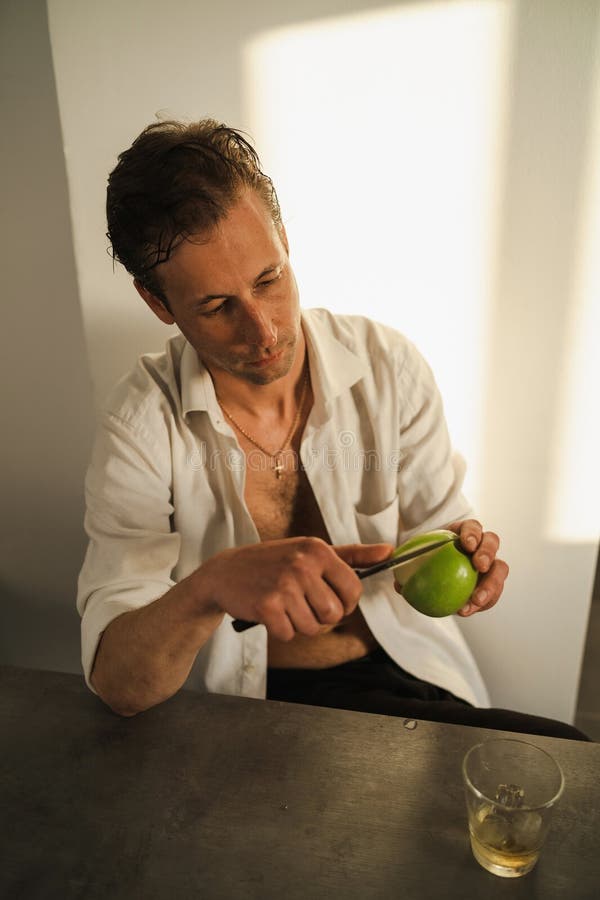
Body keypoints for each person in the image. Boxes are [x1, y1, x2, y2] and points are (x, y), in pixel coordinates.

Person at [77, 118, 587, 741]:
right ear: (159, 305)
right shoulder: (140, 427)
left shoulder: (387, 366)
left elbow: (439, 526)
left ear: (285, 241)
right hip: (246, 713)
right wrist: (211, 587)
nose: (263, 332)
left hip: (406, 677)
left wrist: (468, 556)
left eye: (269, 280)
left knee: (566, 755)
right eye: (215, 307)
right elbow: (121, 688)